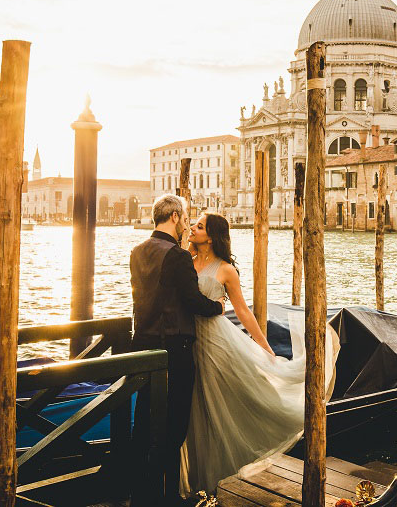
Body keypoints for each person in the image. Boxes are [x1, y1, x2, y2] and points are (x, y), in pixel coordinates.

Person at [179, 213, 339, 496]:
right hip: (191, 344)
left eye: (199, 226)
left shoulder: (226, 269)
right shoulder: (187, 263)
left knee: (220, 408)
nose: (193, 227)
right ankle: (200, 484)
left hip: (216, 343)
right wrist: (188, 246)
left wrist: (265, 348)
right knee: (195, 411)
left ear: (213, 236)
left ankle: (219, 480)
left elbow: (242, 311)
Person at [130, 195, 225, 506]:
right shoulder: (178, 255)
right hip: (173, 348)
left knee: (144, 419)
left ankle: (142, 491)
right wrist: (217, 306)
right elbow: (193, 301)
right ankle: (167, 496)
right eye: (185, 217)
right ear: (173, 216)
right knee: (174, 426)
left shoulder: (137, 251)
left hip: (142, 345)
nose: (187, 222)